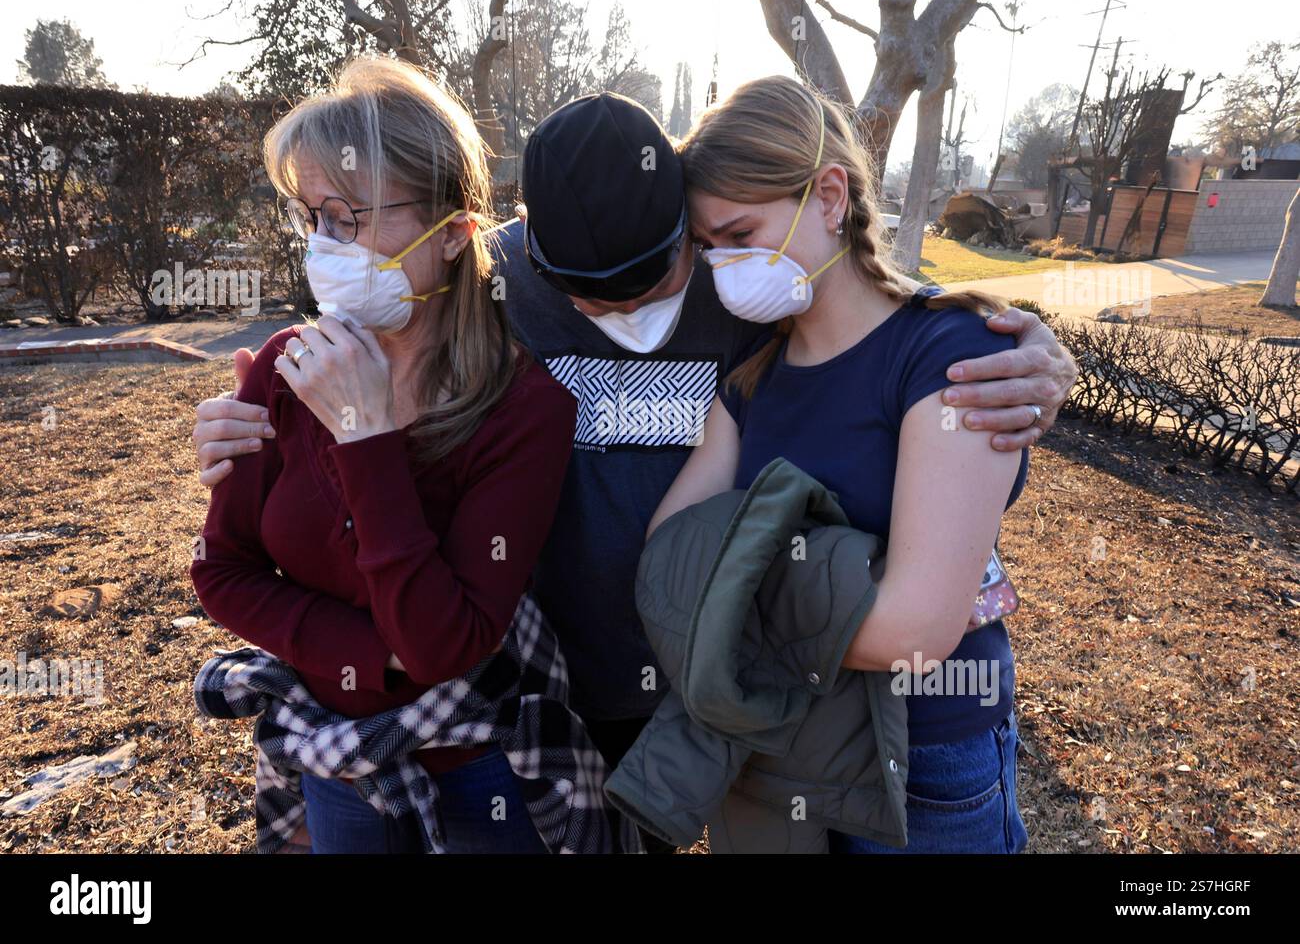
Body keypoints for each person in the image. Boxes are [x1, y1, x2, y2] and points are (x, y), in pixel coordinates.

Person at [193, 88, 1075, 850]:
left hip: (718, 688)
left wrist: (1033, 356)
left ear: (681, 223)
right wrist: (255, 428)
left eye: (652, 275)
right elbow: (396, 323)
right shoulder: (491, 276)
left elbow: (870, 326)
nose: (616, 305)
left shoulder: (745, 276)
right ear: (527, 247)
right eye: (583, 293)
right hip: (566, 684)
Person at [189, 57, 583, 853]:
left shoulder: (524, 407)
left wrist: (366, 439)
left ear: (451, 235)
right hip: (338, 762)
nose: (324, 246)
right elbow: (220, 569)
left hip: (485, 769)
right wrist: (370, 661)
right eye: (311, 218)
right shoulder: (283, 369)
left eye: (350, 218)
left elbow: (446, 643)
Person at [650, 76, 1030, 852]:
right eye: (708, 246)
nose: (722, 266)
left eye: (740, 233)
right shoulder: (755, 372)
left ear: (829, 196)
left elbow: (917, 635)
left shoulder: (951, 355)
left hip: (926, 759)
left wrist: (729, 600)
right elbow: (665, 558)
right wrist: (847, 587)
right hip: (789, 745)